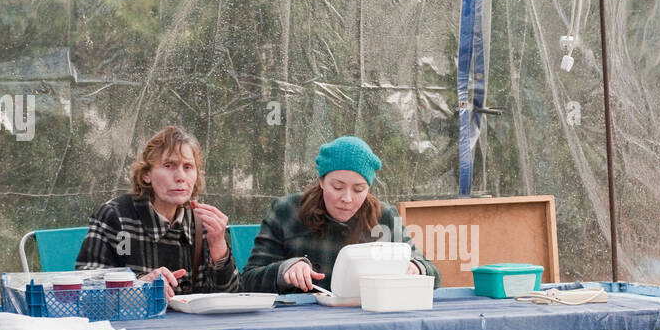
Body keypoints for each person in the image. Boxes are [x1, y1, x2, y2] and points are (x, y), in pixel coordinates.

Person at [241, 135, 439, 293]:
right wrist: (285, 270)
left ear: (368, 188)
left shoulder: (384, 216)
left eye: (359, 189)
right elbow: (248, 281)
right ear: (321, 181)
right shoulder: (287, 212)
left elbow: (433, 275)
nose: (347, 198)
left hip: (365, 321)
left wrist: (415, 268)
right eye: (337, 187)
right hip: (300, 324)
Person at [75, 125, 241, 296]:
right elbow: (85, 286)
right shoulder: (115, 216)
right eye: (169, 165)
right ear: (147, 174)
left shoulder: (204, 223)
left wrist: (219, 249)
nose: (180, 177)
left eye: (188, 167)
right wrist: (139, 286)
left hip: (192, 323)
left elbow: (231, 298)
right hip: (132, 322)